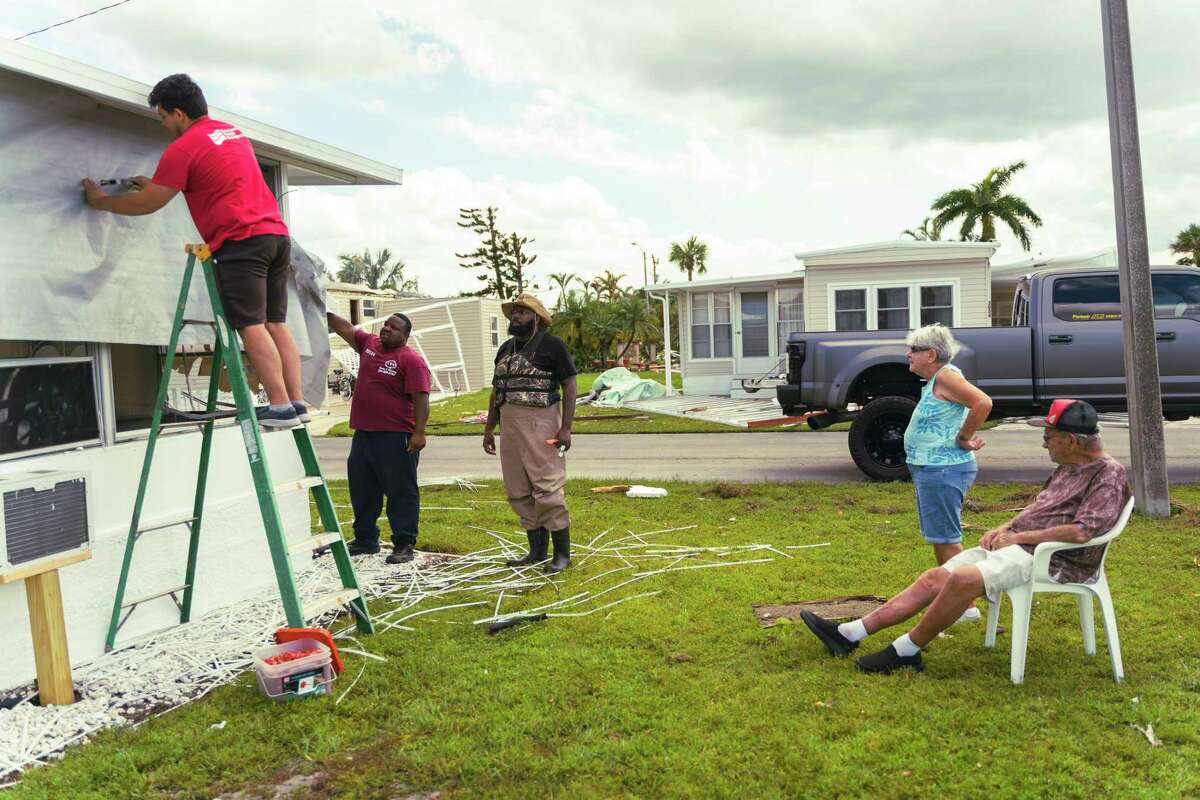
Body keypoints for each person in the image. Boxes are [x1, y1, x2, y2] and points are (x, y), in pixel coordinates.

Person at [800, 399, 1129, 675]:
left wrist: (1020, 537)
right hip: (1021, 545)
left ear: (1071, 440)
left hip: (1053, 559)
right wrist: (1006, 527)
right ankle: (849, 633)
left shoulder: (1108, 475)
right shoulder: (1068, 465)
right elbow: (1041, 507)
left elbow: (1085, 531)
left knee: (962, 580)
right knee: (934, 578)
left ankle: (907, 650)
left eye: (1049, 436)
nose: (1044, 443)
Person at [82, 73, 304, 428]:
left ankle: (279, 408)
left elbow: (148, 205)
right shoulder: (232, 133)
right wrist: (157, 184)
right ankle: (296, 401)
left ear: (179, 114)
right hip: (274, 236)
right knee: (276, 322)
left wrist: (102, 202)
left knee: (251, 325)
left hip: (240, 242)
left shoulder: (183, 148)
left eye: (163, 116)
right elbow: (214, 178)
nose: (163, 123)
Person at [482, 294, 577, 573]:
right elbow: (496, 391)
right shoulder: (505, 349)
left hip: (541, 422)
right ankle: (536, 551)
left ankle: (562, 553)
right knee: (518, 489)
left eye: (523, 312)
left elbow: (570, 387)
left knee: (546, 487)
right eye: (514, 312)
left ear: (536, 317)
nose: (516, 317)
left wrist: (566, 427)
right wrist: (489, 428)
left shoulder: (552, 346)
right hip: (509, 425)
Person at [328, 311, 430, 564]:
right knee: (362, 489)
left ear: (405, 336)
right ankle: (365, 539)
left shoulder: (410, 360)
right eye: (386, 325)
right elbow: (348, 330)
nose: (386, 329)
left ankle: (404, 543)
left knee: (400, 491)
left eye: (394, 328)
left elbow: (421, 398)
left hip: (396, 435)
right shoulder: (370, 345)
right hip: (363, 434)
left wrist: (419, 432)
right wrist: (324, 312)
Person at [903, 325, 992, 573]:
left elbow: (983, 402)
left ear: (930, 355)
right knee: (940, 538)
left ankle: (965, 603)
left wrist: (965, 437)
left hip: (943, 469)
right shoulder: (939, 379)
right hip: (933, 469)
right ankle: (955, 596)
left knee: (947, 540)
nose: (908, 354)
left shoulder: (946, 376)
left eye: (913, 349)